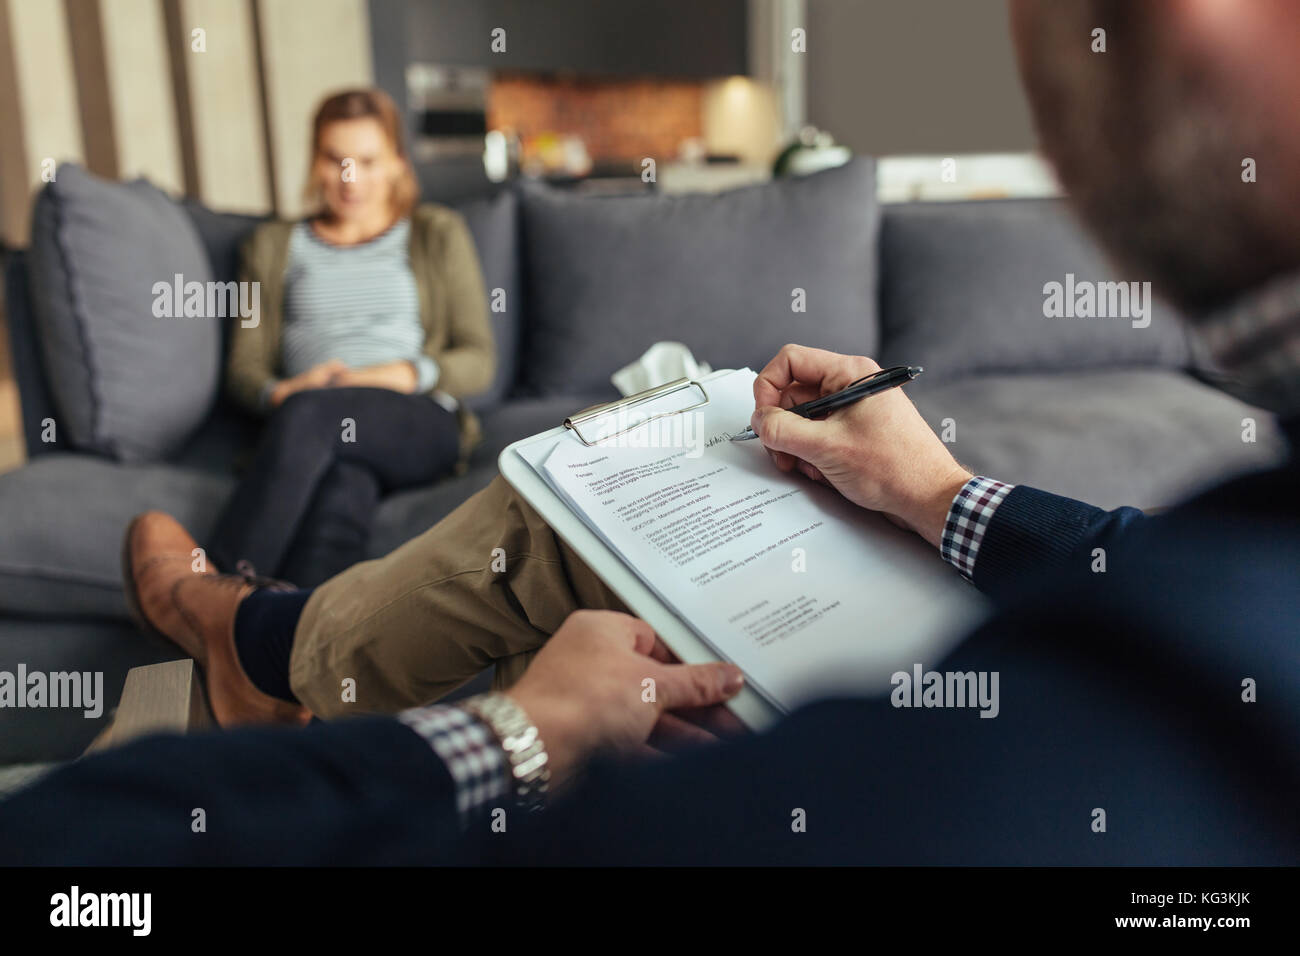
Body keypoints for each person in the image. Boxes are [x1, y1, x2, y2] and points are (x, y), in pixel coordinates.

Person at [3, 0, 1299, 864]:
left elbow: (75, 859)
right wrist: (947, 492)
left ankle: (243, 626)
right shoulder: (279, 247)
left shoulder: (1003, 778)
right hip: (344, 421)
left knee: (389, 450)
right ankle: (263, 632)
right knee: (532, 489)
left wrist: (515, 737)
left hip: (416, 413)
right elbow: (245, 356)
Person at [203, 88, 496, 589]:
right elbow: (244, 370)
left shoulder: (436, 233)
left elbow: (478, 358)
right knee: (342, 489)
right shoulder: (271, 246)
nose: (349, 179)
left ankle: (206, 598)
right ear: (314, 161)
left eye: (367, 160)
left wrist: (399, 374)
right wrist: (282, 392)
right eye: (334, 159)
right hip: (313, 421)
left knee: (318, 414)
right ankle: (293, 651)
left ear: (398, 163)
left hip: (413, 417)